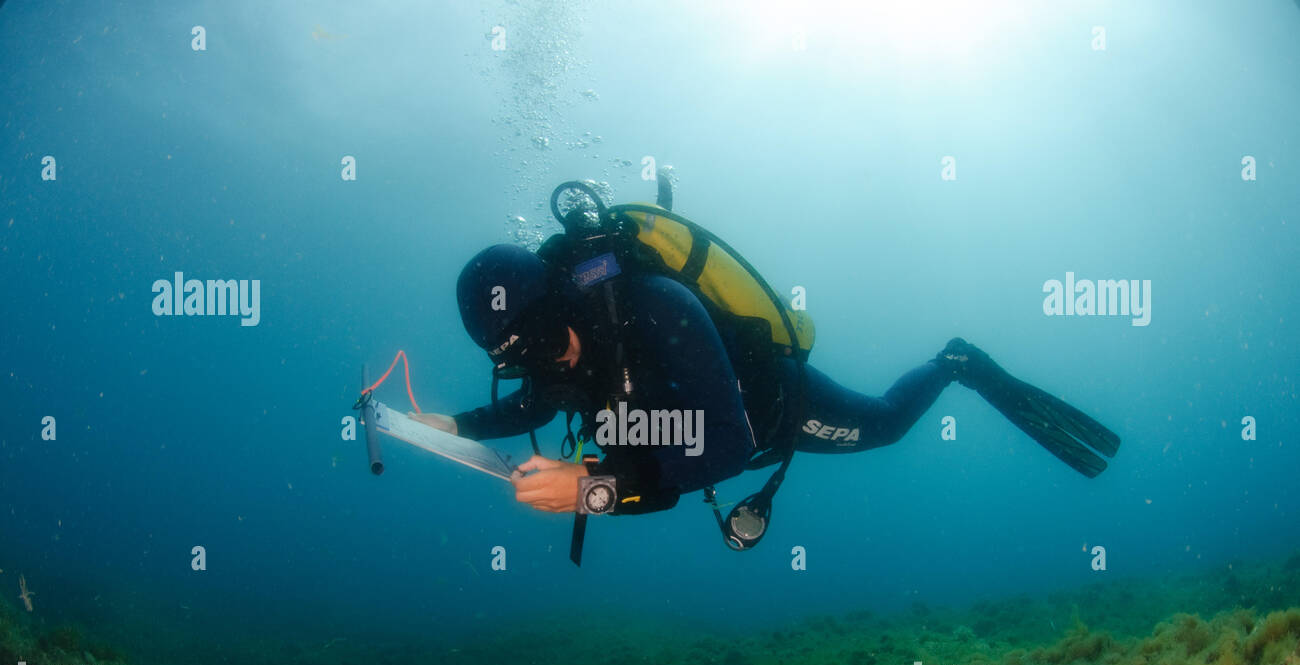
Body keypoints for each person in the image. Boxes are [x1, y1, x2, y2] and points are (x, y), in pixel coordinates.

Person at [413, 243, 1119, 531]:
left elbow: (726, 447)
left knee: (886, 425)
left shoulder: (658, 305)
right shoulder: (560, 356)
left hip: (771, 410)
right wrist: (458, 426)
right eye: (520, 359)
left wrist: (592, 486)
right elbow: (541, 400)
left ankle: (954, 363)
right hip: (679, 433)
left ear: (569, 299)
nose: (545, 365)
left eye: (541, 343)